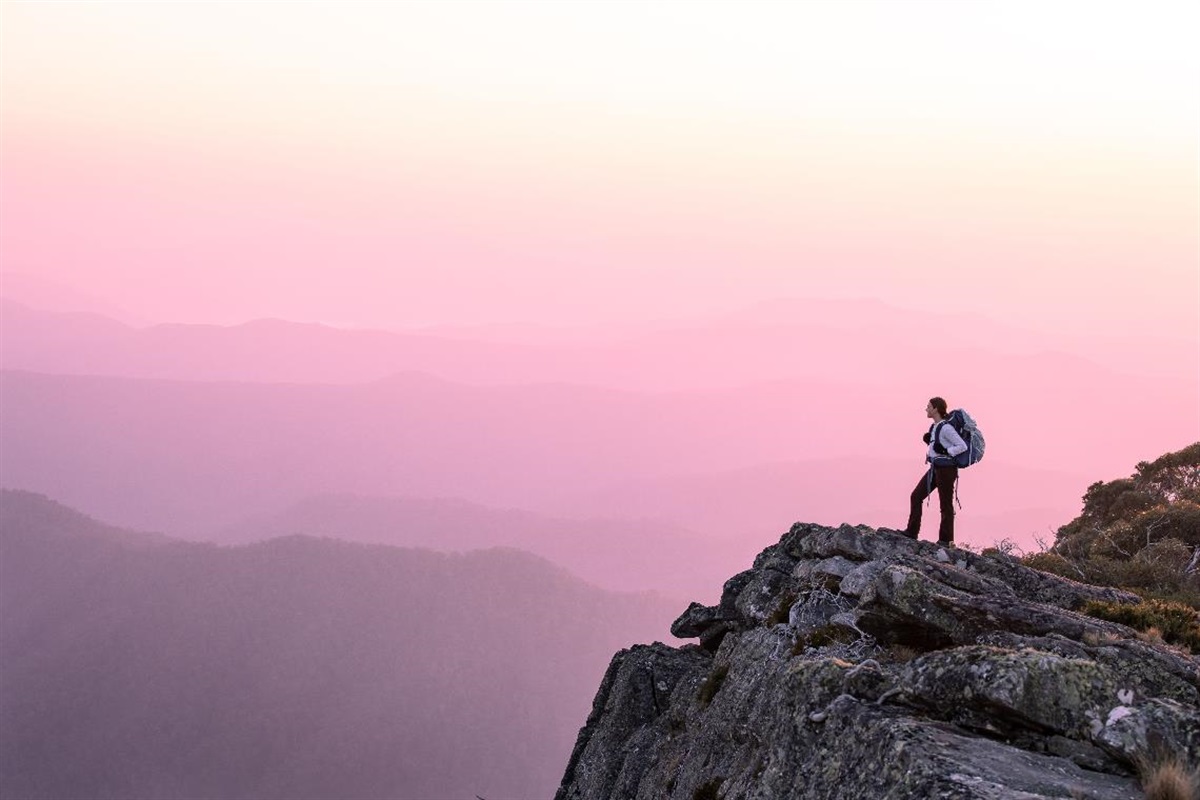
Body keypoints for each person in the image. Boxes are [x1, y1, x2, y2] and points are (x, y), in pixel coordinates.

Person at [903, 396, 967, 546]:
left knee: (945, 505)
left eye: (928, 406)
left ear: (936, 409)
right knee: (916, 496)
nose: (926, 409)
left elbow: (962, 446)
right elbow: (937, 448)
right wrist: (930, 443)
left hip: (946, 470)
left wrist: (946, 450)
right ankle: (912, 532)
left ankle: (946, 540)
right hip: (935, 468)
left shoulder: (945, 427)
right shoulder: (935, 427)